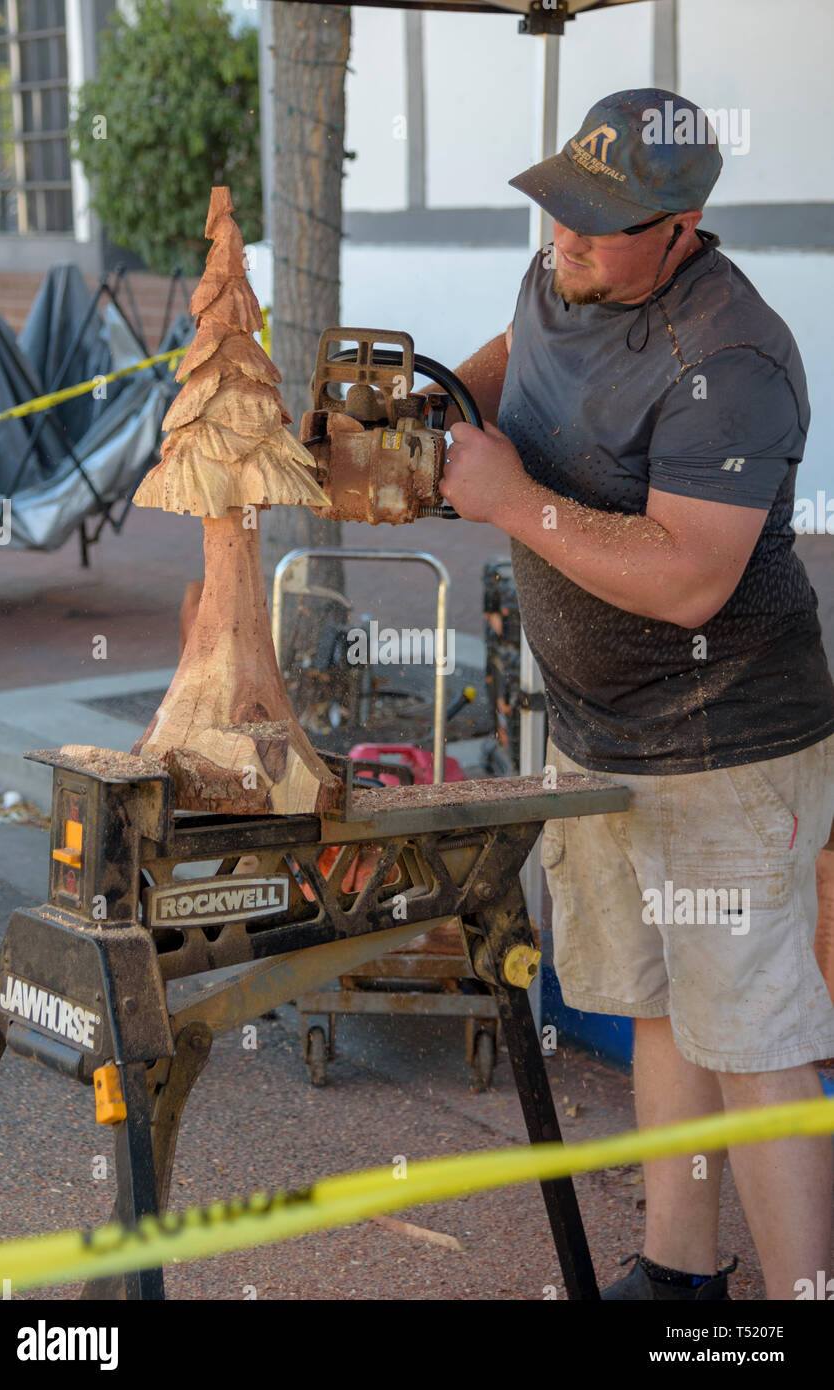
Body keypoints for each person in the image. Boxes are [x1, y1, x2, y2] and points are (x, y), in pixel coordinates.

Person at [433, 88, 834, 1301]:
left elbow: (689, 579)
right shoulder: (571, 266)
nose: (564, 237)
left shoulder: (733, 355)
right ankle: (680, 1277)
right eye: (559, 206)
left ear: (684, 222)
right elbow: (527, 346)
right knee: (658, 1013)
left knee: (753, 1046)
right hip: (600, 734)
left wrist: (507, 501)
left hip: (727, 750)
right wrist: (443, 405)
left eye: (597, 223)